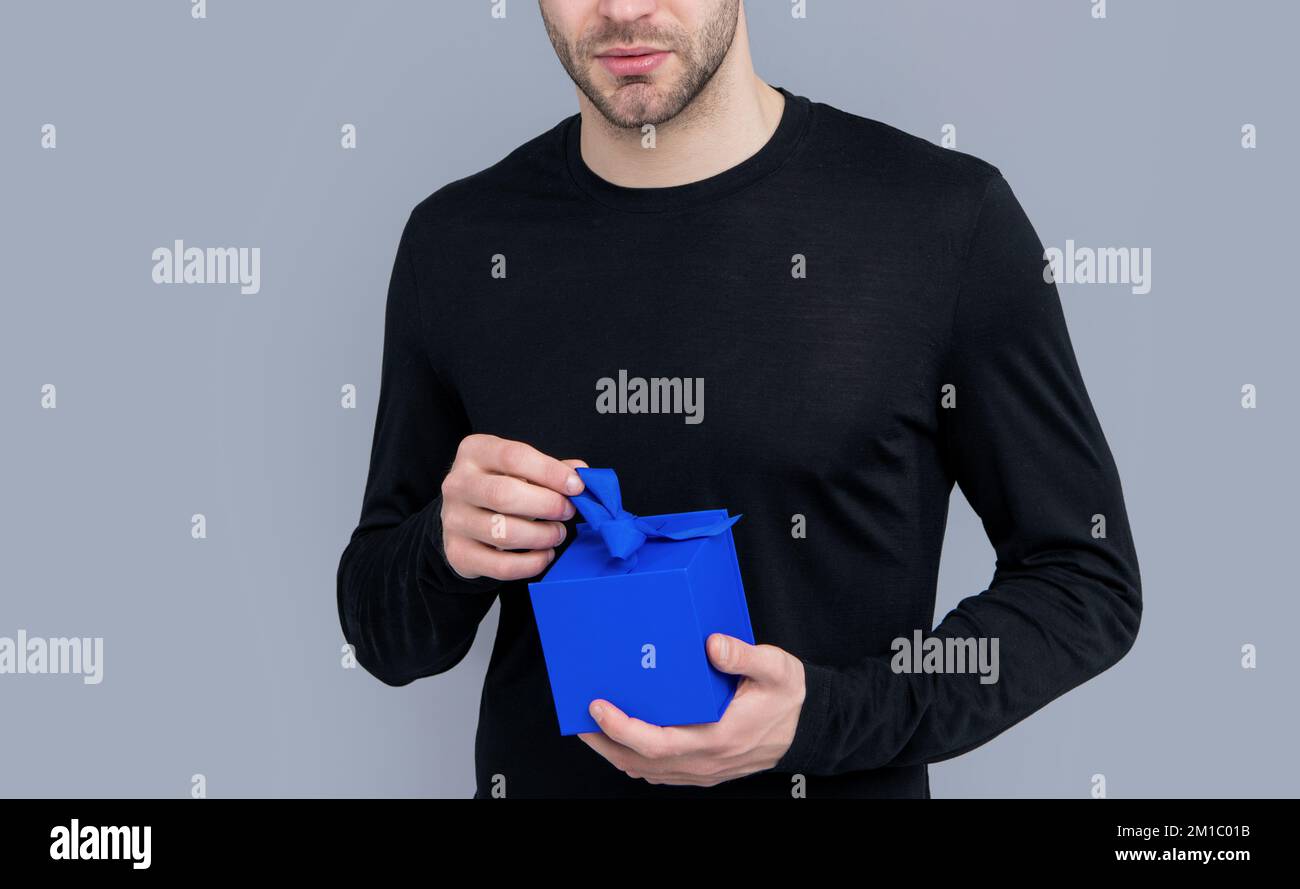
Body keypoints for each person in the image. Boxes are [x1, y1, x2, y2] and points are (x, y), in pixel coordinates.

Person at [337, 0, 1142, 798]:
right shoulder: (457, 243)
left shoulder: (944, 221)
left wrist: (823, 719)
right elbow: (386, 634)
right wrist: (444, 548)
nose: (622, 9)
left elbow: (1084, 580)